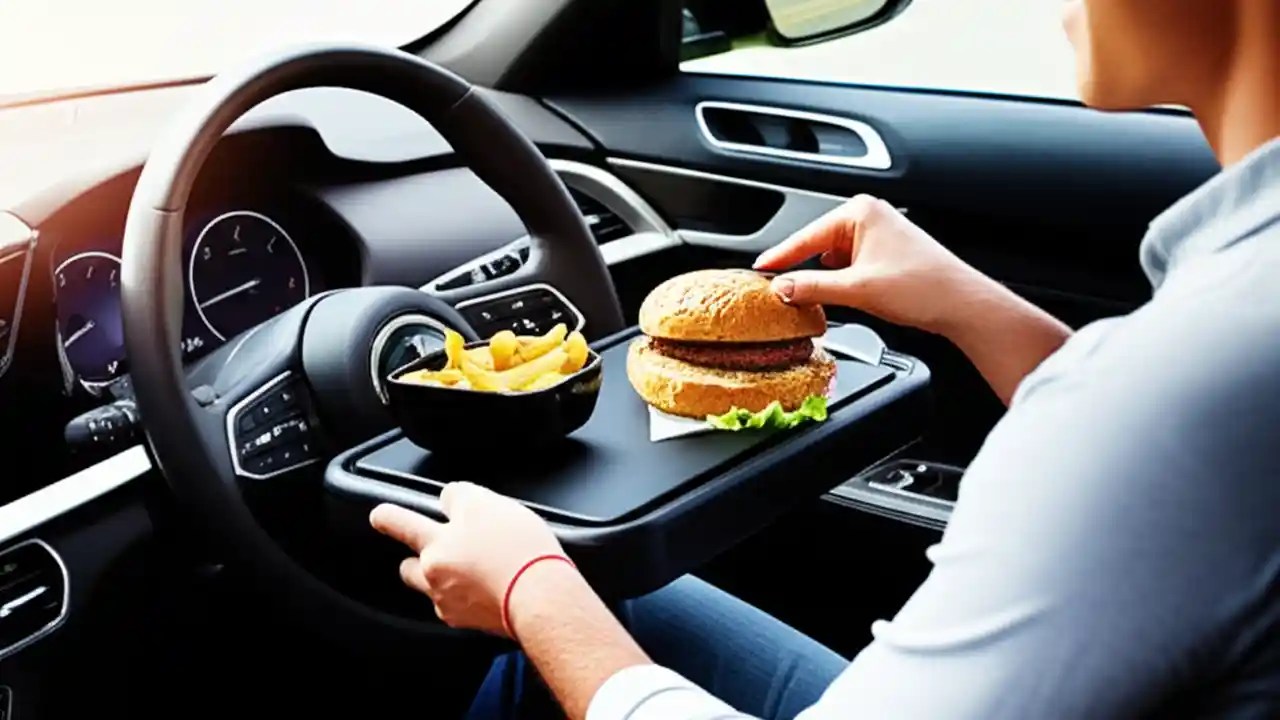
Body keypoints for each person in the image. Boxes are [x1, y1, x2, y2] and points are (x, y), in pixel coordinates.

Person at [370, 1, 1280, 717]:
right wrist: (971, 307)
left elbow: (1152, 434)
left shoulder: (1177, 386)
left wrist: (532, 594)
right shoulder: (1220, 343)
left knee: (561, 628)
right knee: (619, 603)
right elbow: (1175, 479)